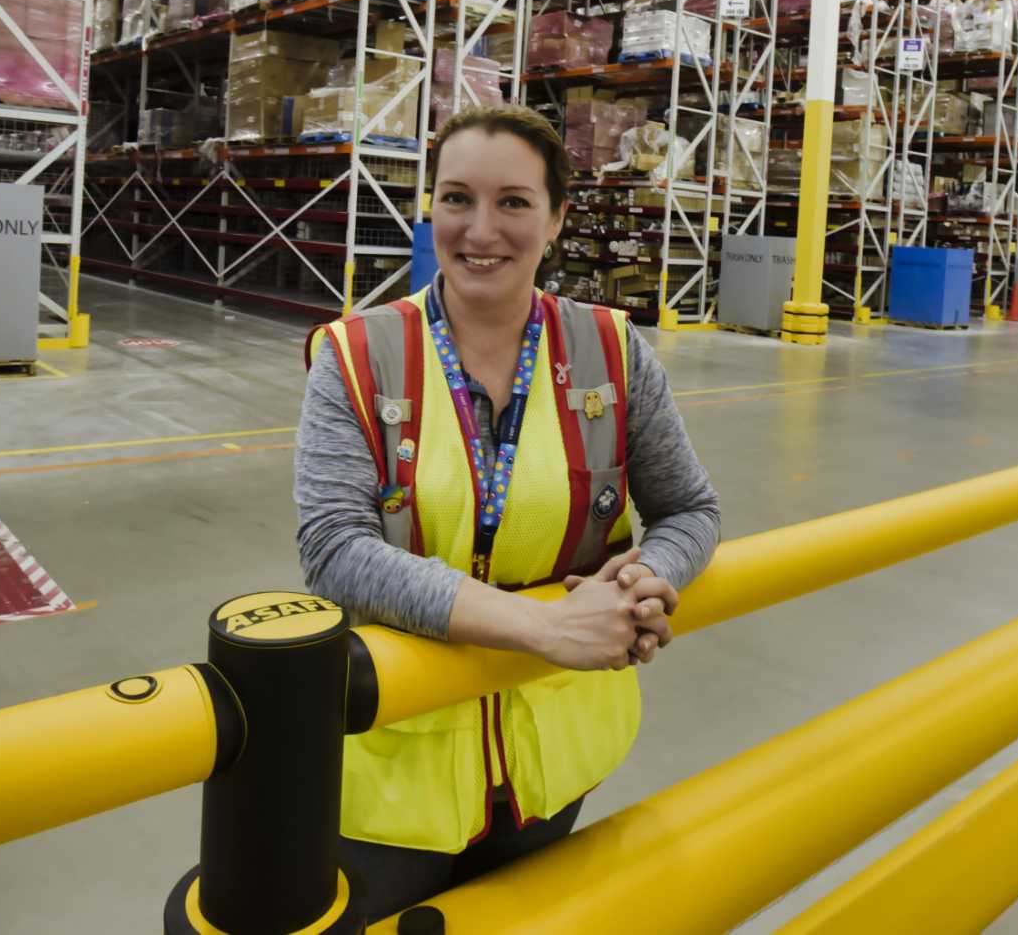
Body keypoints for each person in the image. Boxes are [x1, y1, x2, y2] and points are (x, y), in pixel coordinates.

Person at [296, 103, 721, 920]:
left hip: (553, 756)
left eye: (514, 202)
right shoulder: (356, 355)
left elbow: (689, 509)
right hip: (390, 765)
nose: (479, 229)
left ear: (558, 219)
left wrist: (645, 581)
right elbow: (333, 549)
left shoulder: (613, 351)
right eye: (456, 198)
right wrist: (545, 629)